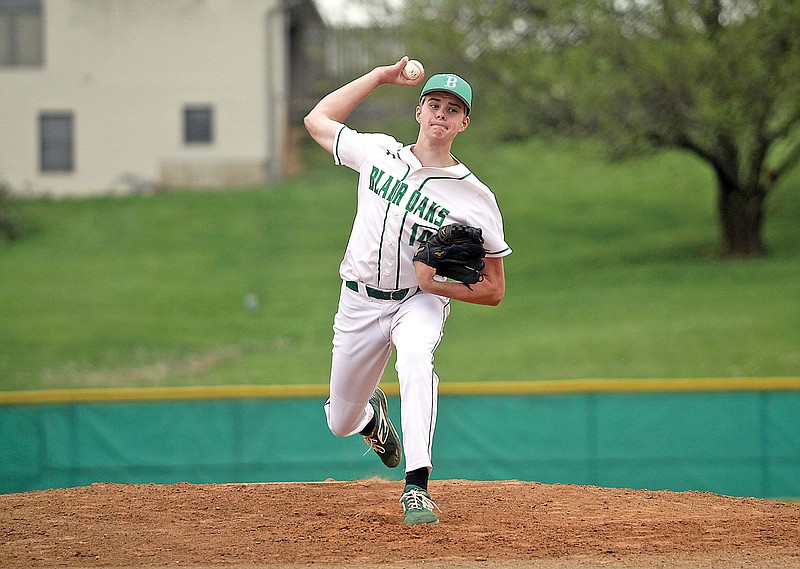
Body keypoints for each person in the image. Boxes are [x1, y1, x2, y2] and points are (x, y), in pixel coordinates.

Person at [304, 56, 511, 525]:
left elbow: (495, 289)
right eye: (434, 104)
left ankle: (417, 486)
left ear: (464, 123)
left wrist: (434, 285)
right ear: (418, 111)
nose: (441, 114)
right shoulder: (378, 153)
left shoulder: (475, 197)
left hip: (418, 300)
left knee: (416, 358)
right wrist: (380, 77)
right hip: (358, 301)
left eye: (453, 109)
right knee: (340, 422)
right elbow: (317, 120)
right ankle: (371, 420)